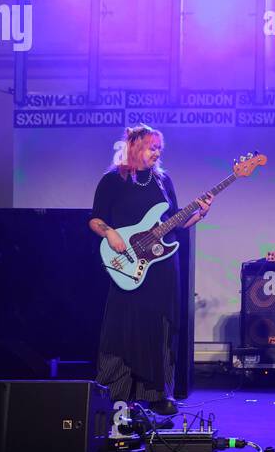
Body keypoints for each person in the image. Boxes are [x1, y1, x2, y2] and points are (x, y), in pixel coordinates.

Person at [88, 125, 210, 416]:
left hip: (162, 268)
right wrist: (111, 234)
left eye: (159, 149)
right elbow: (95, 220)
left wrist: (201, 213)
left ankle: (158, 394)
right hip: (128, 264)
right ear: (133, 145)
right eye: (152, 147)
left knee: (162, 328)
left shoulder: (162, 181)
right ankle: (114, 392)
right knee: (122, 328)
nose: (157, 153)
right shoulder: (112, 180)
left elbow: (176, 222)